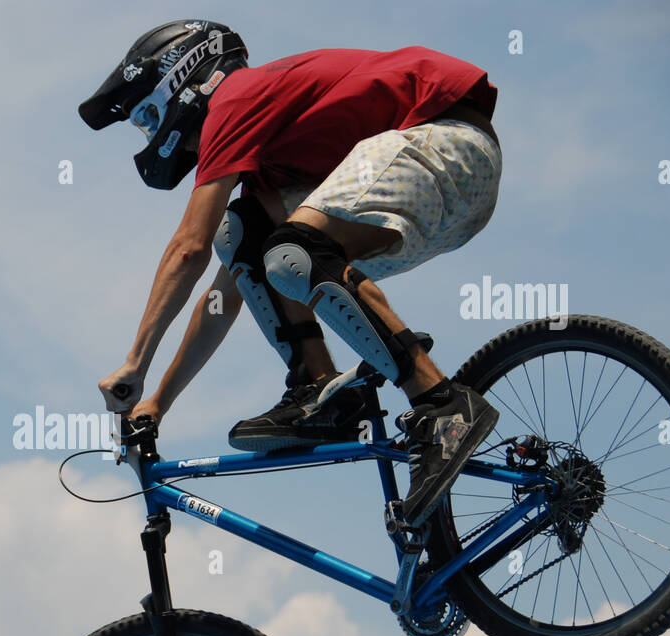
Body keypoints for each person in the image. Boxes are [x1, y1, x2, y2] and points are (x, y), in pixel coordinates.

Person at [85, 20, 501, 527]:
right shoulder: (263, 160)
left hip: (449, 142)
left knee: (290, 250)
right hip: (446, 179)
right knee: (246, 236)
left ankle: (441, 405)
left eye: (148, 115)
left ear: (184, 81)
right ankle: (318, 391)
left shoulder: (233, 100)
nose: (153, 134)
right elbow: (223, 296)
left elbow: (187, 249)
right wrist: (157, 402)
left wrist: (135, 362)